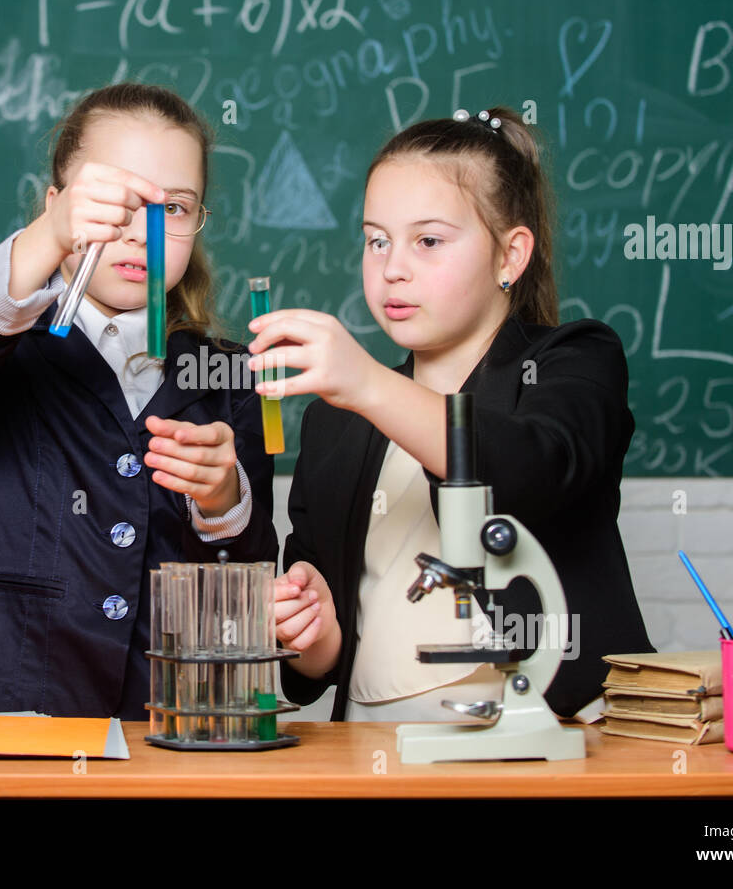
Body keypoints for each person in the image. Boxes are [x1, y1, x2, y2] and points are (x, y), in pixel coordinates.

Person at [250, 106, 654, 721]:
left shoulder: (574, 358)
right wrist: (311, 633)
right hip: (372, 752)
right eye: (376, 240)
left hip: (547, 742)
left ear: (510, 256)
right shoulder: (336, 419)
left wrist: (368, 384)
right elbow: (319, 666)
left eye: (429, 240)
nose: (393, 268)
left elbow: (529, 473)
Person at [0, 83, 277, 719]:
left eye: (175, 208)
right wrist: (47, 237)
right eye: (113, 201)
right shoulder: (4, 342)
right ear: (59, 204)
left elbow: (255, 593)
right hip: (9, 716)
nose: (142, 232)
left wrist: (223, 503)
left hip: (178, 727)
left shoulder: (231, 372)